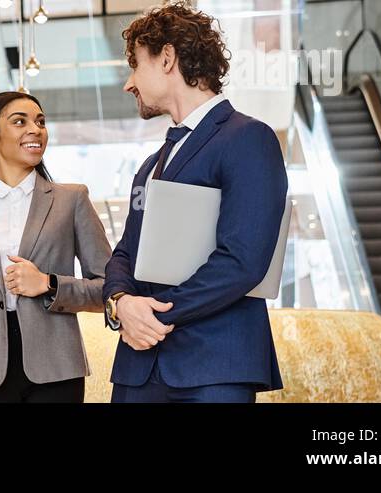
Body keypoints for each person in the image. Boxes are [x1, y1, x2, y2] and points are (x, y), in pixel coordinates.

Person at [103, 2, 287, 403]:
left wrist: (149, 314)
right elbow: (124, 254)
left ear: (167, 58)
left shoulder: (248, 138)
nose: (128, 83)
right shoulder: (151, 164)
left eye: (134, 65)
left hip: (213, 367)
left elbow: (242, 261)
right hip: (138, 371)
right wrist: (120, 303)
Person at [0, 91, 110, 403]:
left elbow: (108, 288)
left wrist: (48, 284)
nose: (35, 129)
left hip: (57, 368)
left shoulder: (72, 200)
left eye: (40, 122)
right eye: (20, 121)